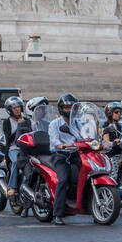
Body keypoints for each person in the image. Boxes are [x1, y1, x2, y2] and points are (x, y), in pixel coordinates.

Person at [48, 93, 85, 225]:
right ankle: (57, 213)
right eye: (66, 107)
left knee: (90, 173)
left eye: (72, 108)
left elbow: (85, 136)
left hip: (77, 154)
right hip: (61, 155)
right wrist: (64, 145)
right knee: (63, 179)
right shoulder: (54, 124)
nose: (69, 110)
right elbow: (55, 142)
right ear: (61, 108)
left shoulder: (78, 122)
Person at [1, 96, 31, 200]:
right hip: (13, 148)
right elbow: (8, 138)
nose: (17, 109)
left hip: (26, 148)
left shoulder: (27, 120)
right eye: (14, 108)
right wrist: (19, 126)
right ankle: (12, 187)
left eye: (18, 107)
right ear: (10, 110)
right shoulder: (7, 122)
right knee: (15, 162)